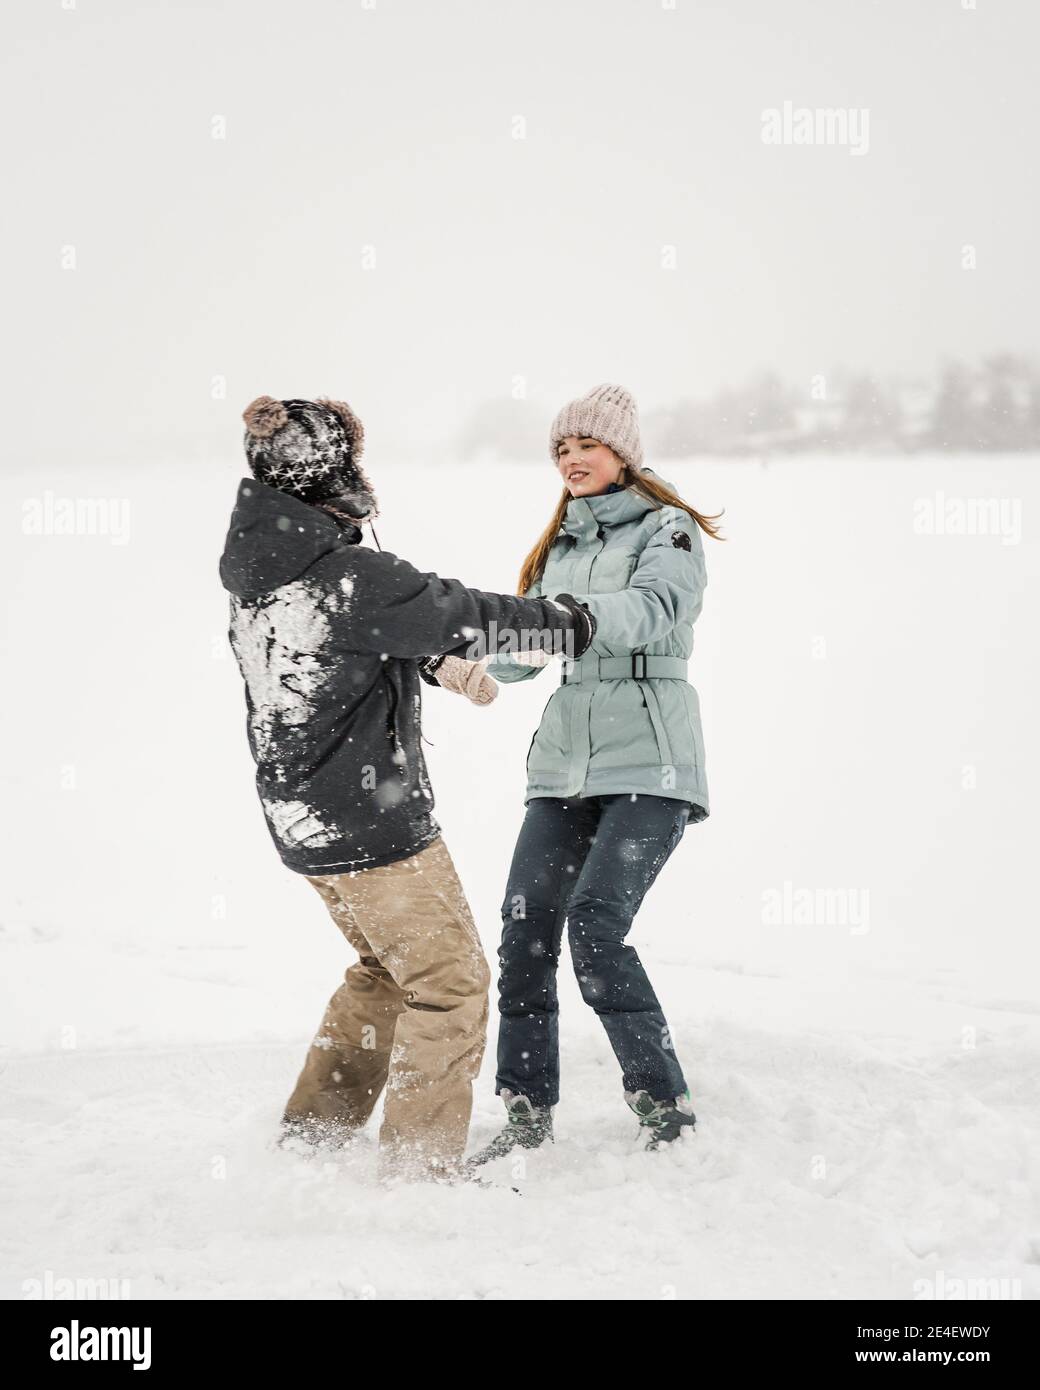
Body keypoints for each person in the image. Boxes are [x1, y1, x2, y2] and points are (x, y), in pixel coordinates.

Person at [218, 394, 595, 1181]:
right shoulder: (350, 575)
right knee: (451, 985)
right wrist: (567, 625)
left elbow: (333, 653)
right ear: (334, 473)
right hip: (372, 827)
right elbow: (467, 613)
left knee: (388, 973)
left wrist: (424, 660)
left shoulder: (261, 575)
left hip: (302, 821)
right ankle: (419, 1176)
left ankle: (313, 1136)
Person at [468, 384, 723, 1165]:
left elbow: (653, 611)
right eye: (560, 450)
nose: (571, 460)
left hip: (652, 761)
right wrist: (470, 660)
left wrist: (576, 617)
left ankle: (662, 1102)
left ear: (623, 452)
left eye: (586, 445)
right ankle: (525, 1112)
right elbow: (527, 645)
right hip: (563, 768)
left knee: (597, 927)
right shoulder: (558, 548)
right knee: (523, 928)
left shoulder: (669, 531)